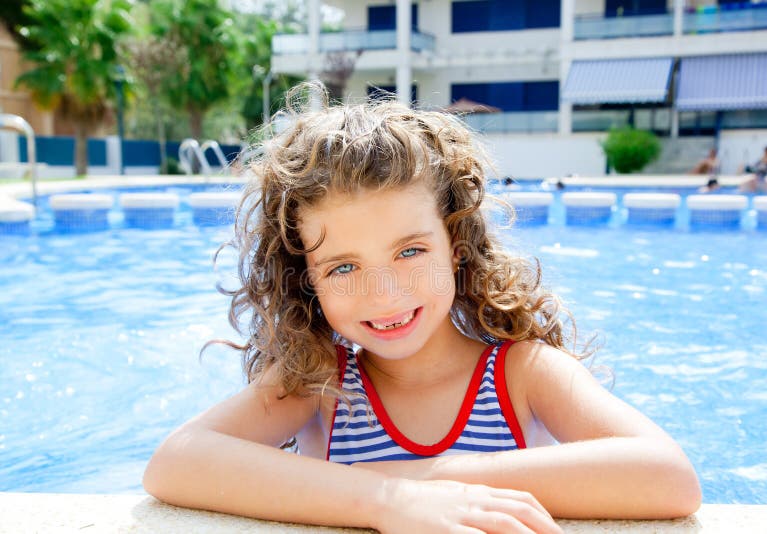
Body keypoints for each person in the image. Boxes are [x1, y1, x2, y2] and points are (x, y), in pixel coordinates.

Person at [143, 84, 701, 533]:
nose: (383, 292)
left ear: (456, 247)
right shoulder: (320, 383)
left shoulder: (524, 373)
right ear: (305, 280)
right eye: (342, 267)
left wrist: (422, 479)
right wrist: (383, 502)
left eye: (410, 251)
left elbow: (668, 478)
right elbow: (175, 463)